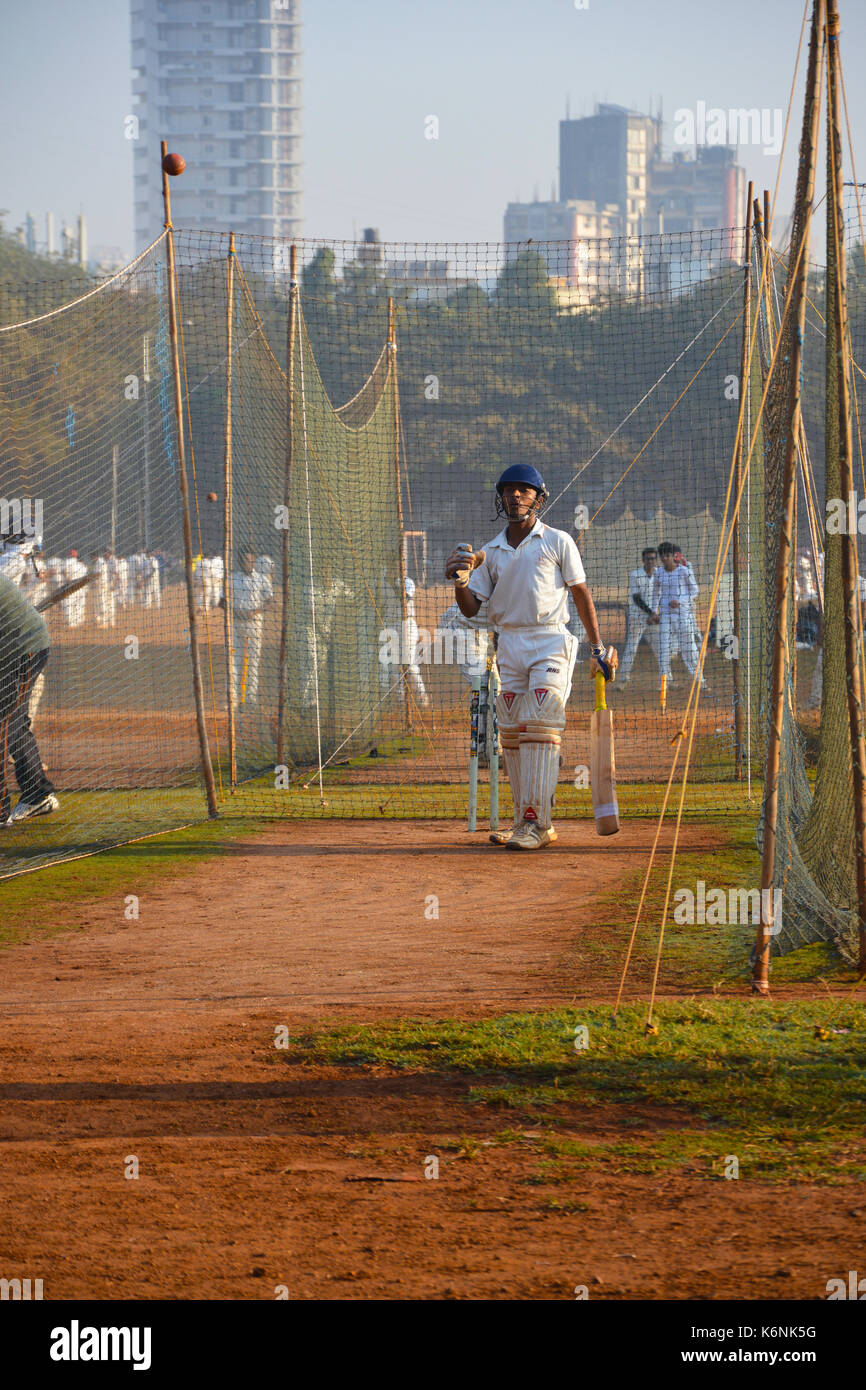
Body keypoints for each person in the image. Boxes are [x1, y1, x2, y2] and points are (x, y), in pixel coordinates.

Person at [446, 464, 617, 851]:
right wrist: (459, 583)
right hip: (509, 643)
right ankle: (527, 817)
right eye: (508, 491)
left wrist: (596, 647)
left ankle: (536, 824)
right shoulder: (490, 553)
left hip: (550, 640)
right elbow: (472, 608)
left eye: (524, 491)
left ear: (539, 498)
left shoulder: (558, 541)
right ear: (500, 498)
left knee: (540, 720)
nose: (515, 496)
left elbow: (580, 594)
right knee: (513, 732)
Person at [0, 573, 59, 825]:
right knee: (13, 723)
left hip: (24, 650)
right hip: (18, 649)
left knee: (6, 724)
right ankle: (37, 794)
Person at [220, 547, 273, 706]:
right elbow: (221, 601)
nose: (247, 563)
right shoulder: (232, 578)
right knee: (233, 660)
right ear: (239, 561)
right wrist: (234, 610)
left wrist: (255, 611)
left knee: (253, 661)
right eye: (244, 560)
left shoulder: (262, 579)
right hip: (235, 623)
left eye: (250, 560)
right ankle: (233, 698)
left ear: (254, 561)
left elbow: (270, 602)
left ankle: (250, 698)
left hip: (255, 624)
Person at [653, 541, 705, 689]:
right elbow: (655, 593)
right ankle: (664, 681)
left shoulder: (683, 571)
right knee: (663, 648)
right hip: (665, 615)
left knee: (689, 648)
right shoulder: (658, 573)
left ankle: (700, 681)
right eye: (662, 556)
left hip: (683, 615)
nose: (665, 559)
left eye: (667, 556)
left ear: (673, 556)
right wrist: (653, 611)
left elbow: (695, 591)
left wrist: (680, 601)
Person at [618, 547, 660, 684]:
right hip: (638, 616)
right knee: (632, 647)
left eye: (653, 558)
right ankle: (623, 679)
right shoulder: (635, 575)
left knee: (661, 648)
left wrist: (655, 614)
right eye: (648, 558)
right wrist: (651, 613)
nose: (651, 561)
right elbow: (636, 598)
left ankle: (668, 680)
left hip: (654, 618)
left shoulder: (660, 574)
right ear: (643, 560)